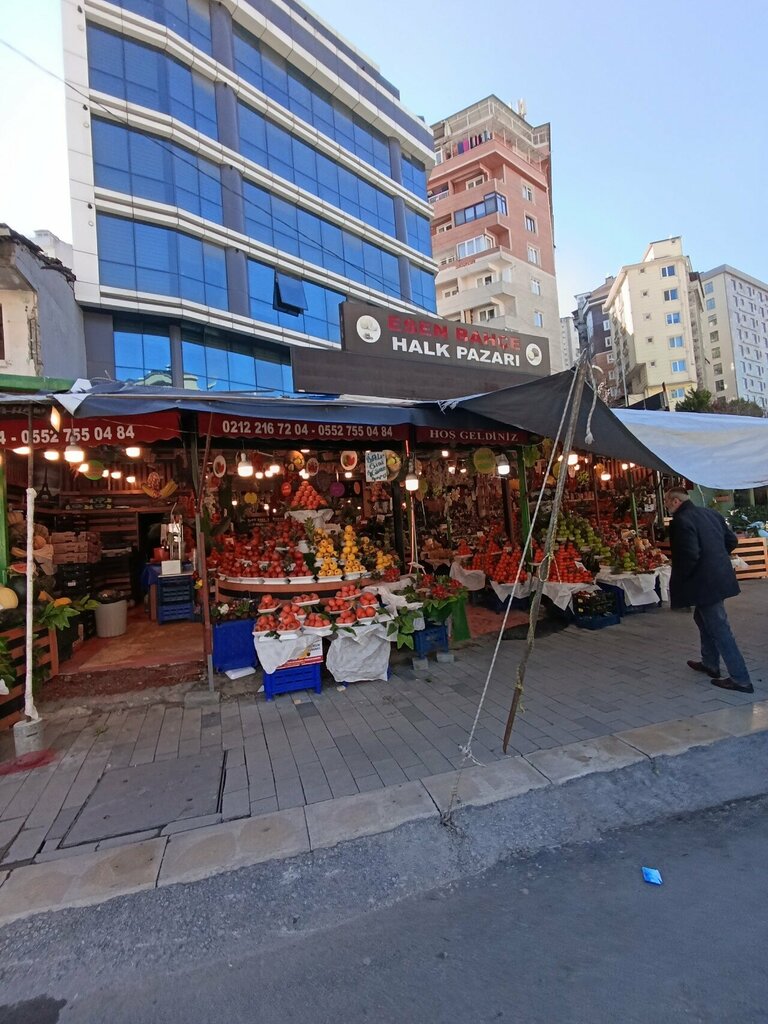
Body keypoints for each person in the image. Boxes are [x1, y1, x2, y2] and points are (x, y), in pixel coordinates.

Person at [665, 487, 753, 693]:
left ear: (676, 501)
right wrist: (717, 557)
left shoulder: (680, 521)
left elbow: (689, 555)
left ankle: (741, 678)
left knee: (719, 627)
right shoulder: (710, 513)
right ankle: (710, 663)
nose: (667, 505)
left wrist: (682, 579)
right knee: (702, 619)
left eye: (668, 501)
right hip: (719, 577)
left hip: (703, 581)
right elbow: (731, 540)